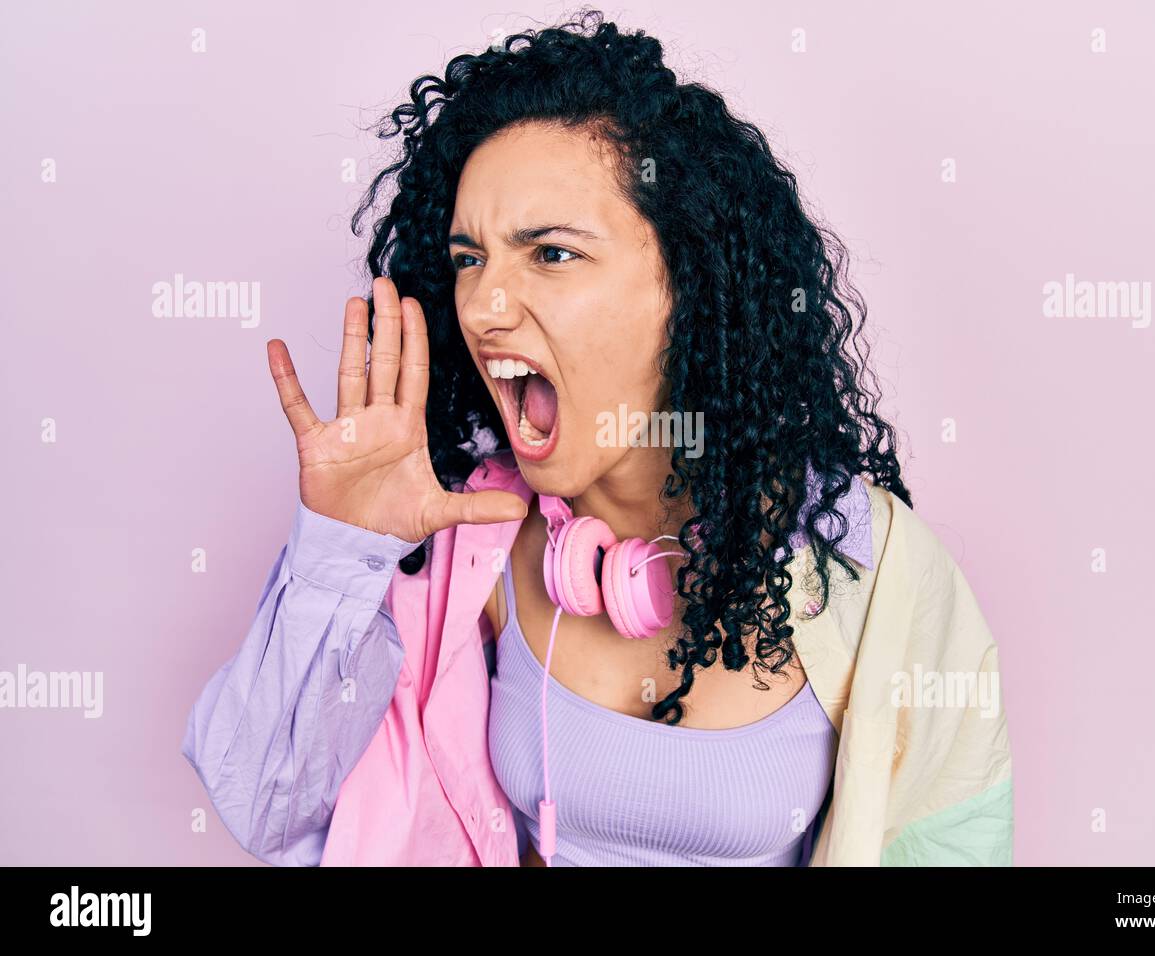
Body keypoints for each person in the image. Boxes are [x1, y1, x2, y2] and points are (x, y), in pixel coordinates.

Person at [182, 10, 1013, 867]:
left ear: (689, 283)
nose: (484, 306)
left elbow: (952, 847)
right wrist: (341, 551)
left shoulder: (871, 572)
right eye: (470, 259)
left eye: (549, 254)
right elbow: (264, 804)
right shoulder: (471, 540)